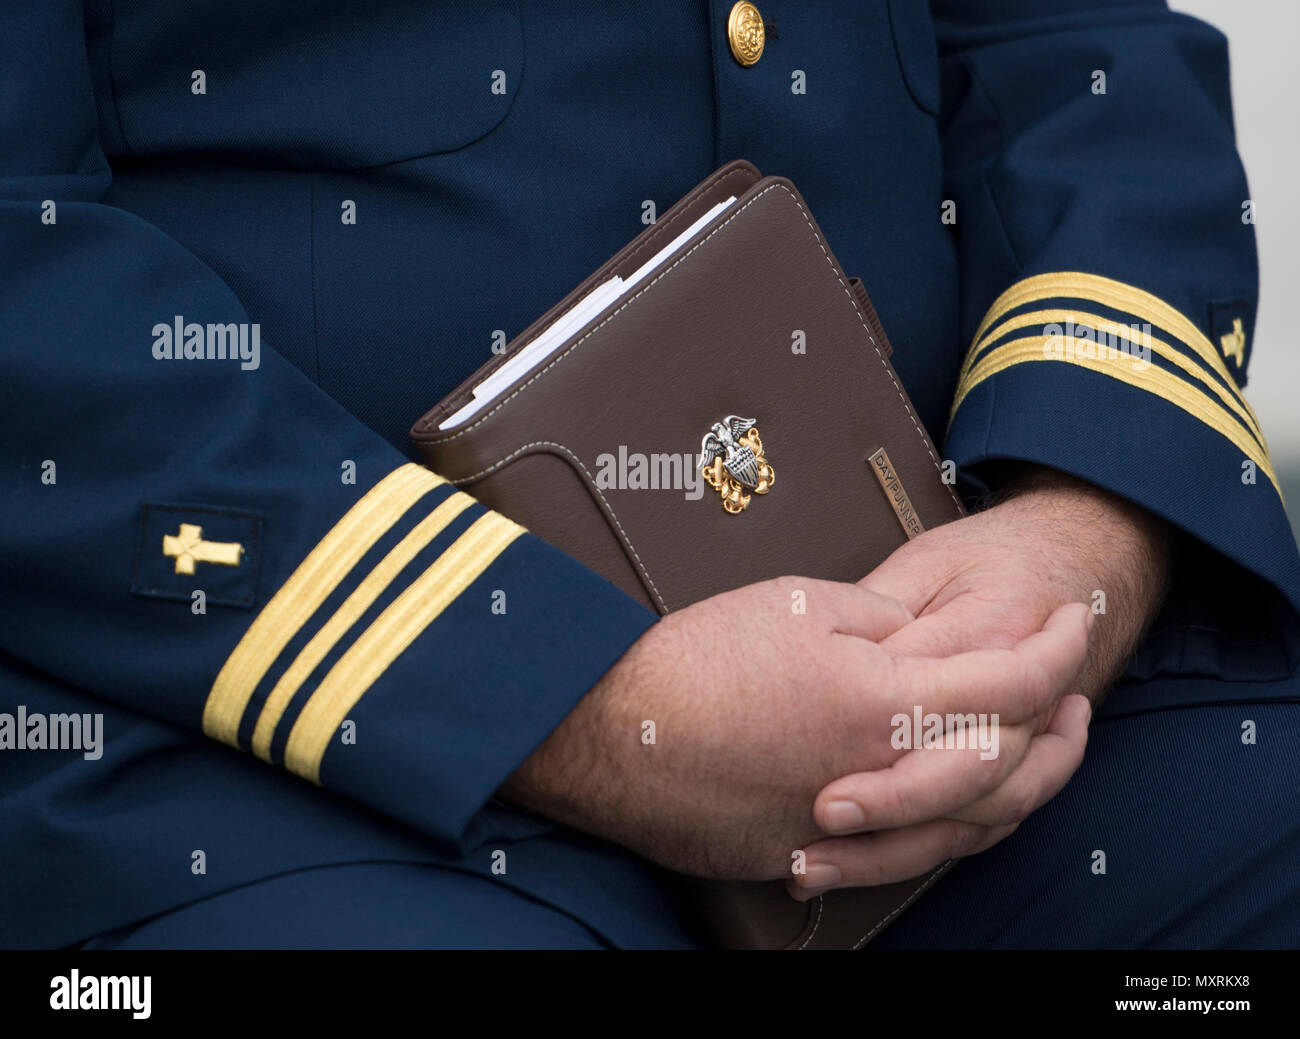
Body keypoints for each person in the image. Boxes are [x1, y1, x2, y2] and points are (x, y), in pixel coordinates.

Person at [2, 0, 1297, 949]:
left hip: (966, 671)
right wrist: (586, 707)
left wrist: (1081, 537)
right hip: (264, 762)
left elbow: (1086, 60)